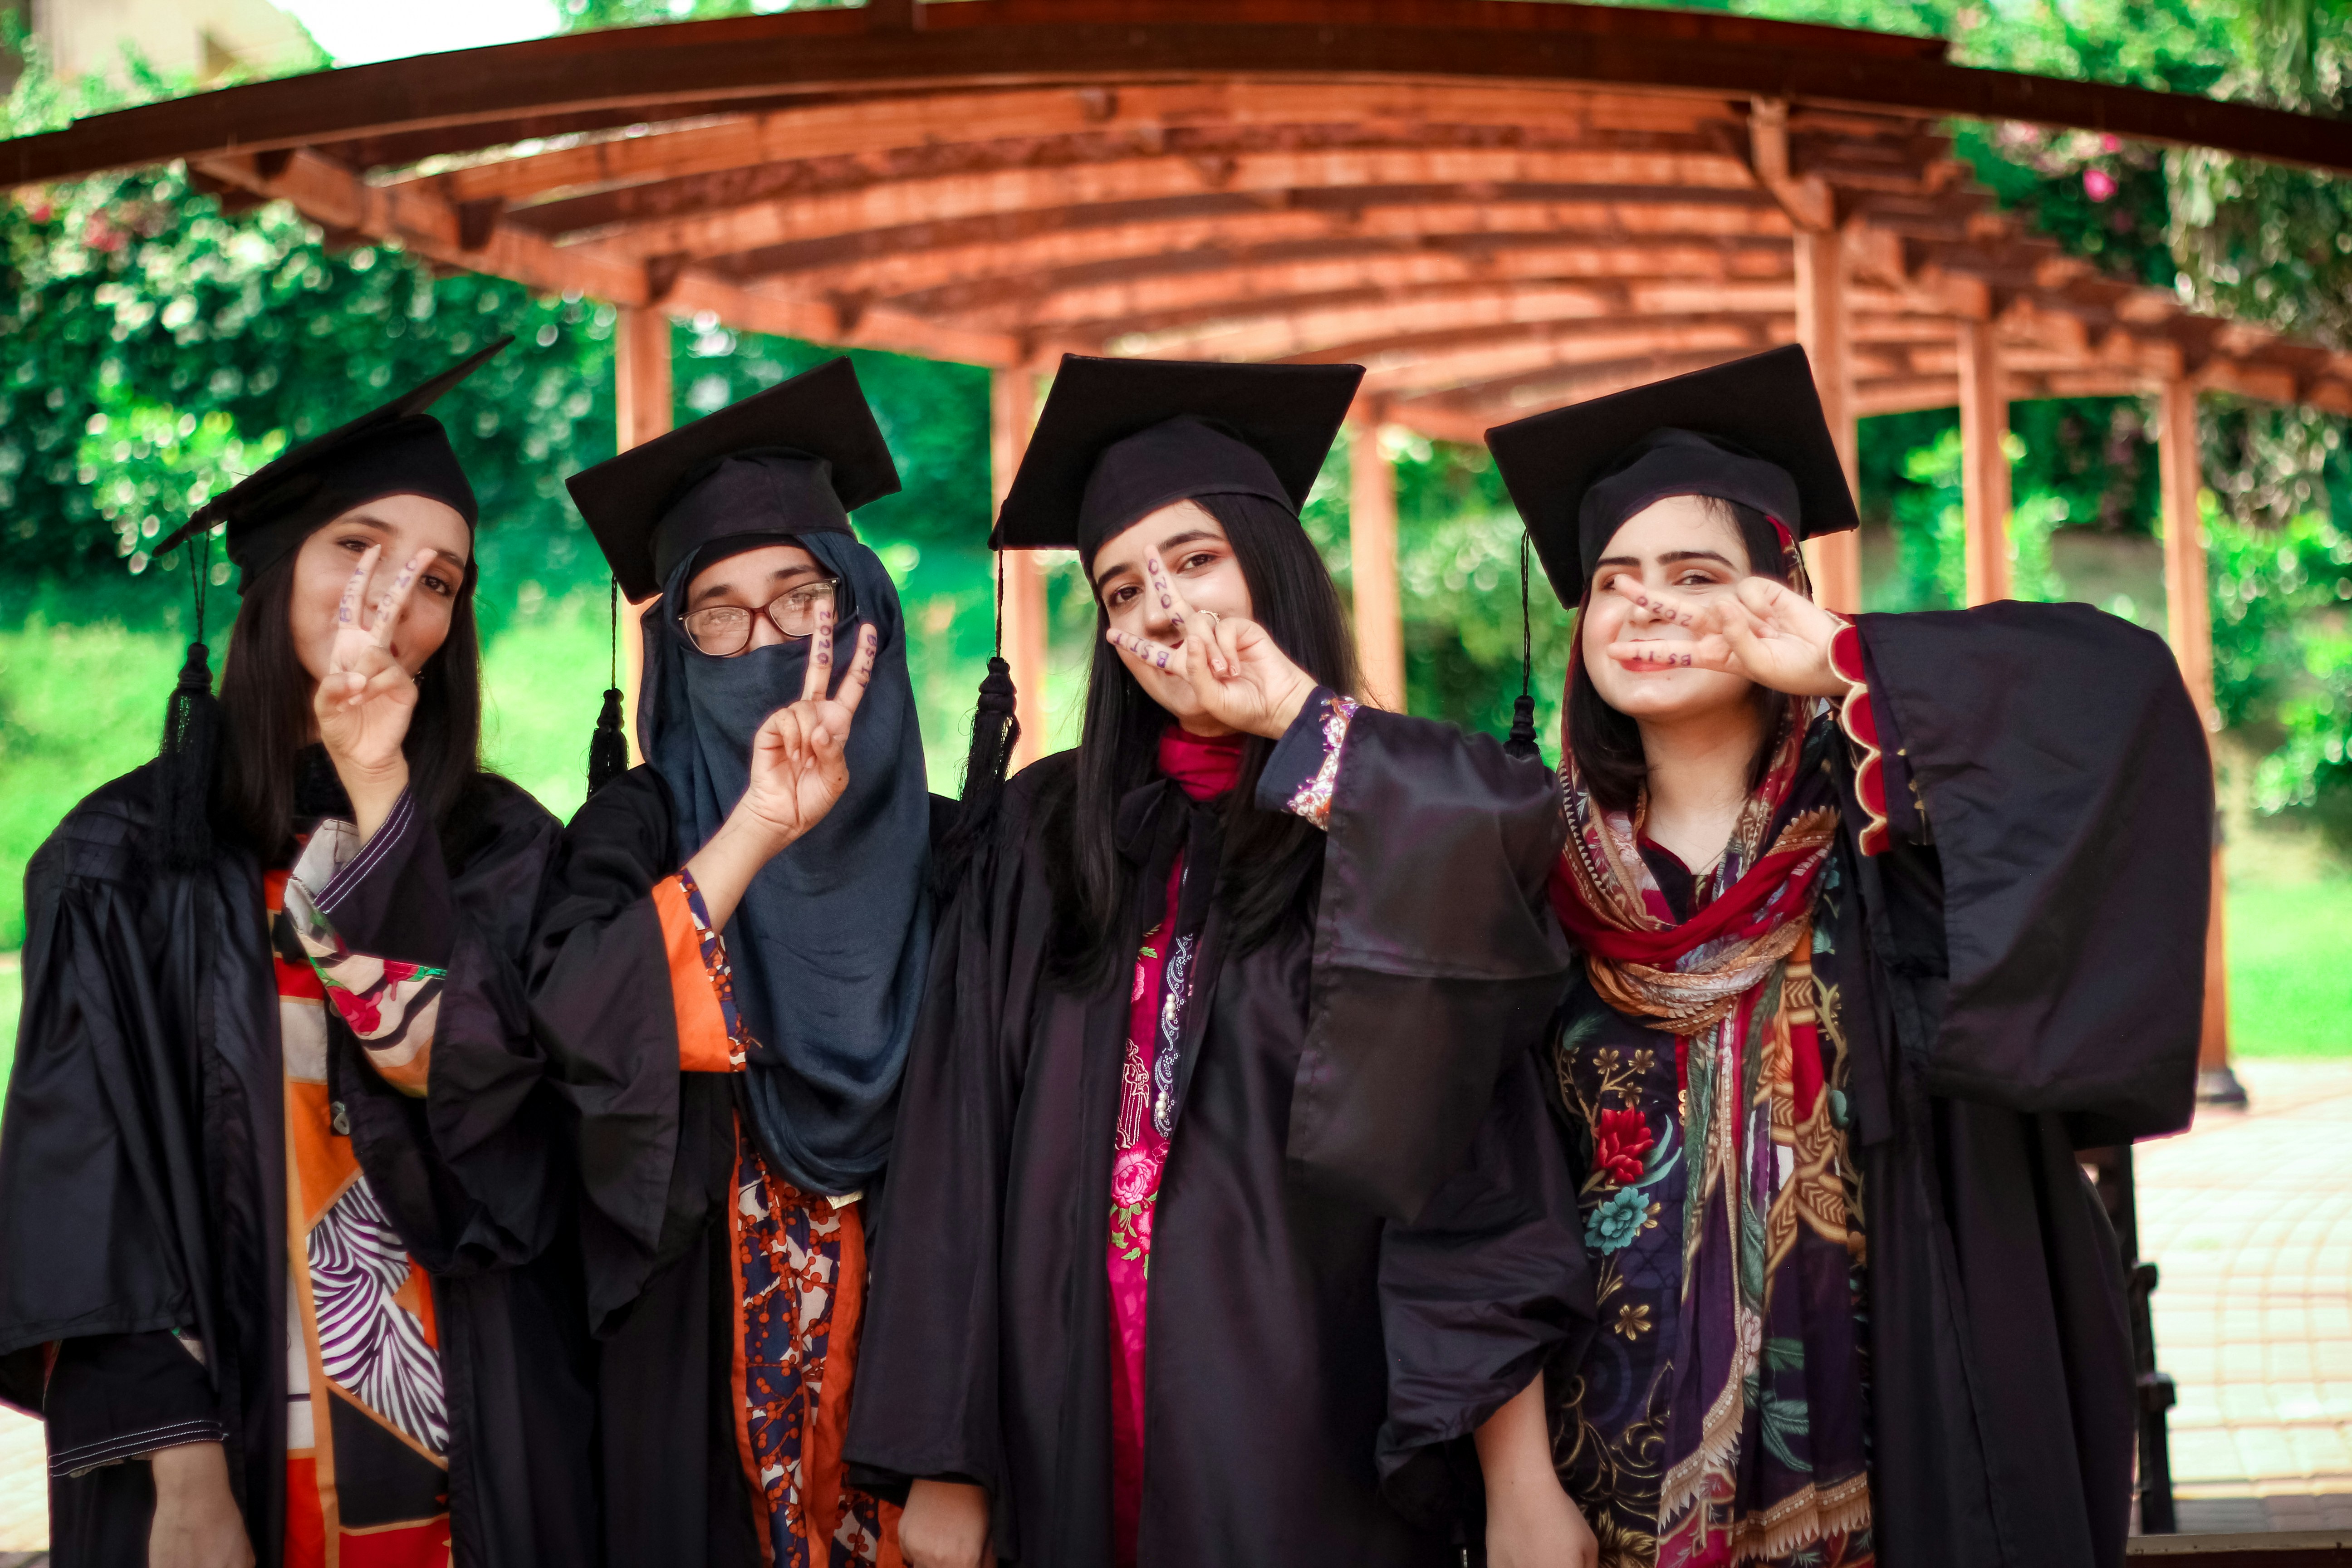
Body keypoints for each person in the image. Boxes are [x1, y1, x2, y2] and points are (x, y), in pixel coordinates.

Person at [1455, 344, 2208, 1568]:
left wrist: (1846, 664)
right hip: (1609, 1469)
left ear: (1781, 599)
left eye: (1696, 573)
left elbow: (2117, 696)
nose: (1646, 604)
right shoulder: (1521, 870)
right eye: (1612, 580)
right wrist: (1519, 1483)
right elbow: (1472, 1193)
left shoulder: (1890, 829)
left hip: (1914, 1422)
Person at [847, 355, 1594, 1568]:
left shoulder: (1377, 815)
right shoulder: (1045, 837)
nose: (1160, 611)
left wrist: (1517, 1479)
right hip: (1066, 1426)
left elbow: (1472, 1145)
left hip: (1309, 1426)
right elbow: (959, 1144)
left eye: (1196, 561)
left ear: (1273, 568)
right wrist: (944, 1459)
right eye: (1122, 588)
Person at [0, 340, 599, 1568]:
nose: (399, 597)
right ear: (274, 570)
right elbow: (87, 1178)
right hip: (226, 1441)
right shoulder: (120, 860)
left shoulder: (499, 850)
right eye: (358, 547)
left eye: (441, 581)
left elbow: (511, 1132)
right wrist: (180, 1477)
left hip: (472, 1428)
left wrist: (382, 795)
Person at [532, 357, 932, 1568]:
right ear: (674, 651)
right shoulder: (634, 835)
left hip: (930, 1409)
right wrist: (755, 830)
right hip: (695, 1380)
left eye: (802, 598)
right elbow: (580, 1021)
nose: (762, 642)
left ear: (861, 612)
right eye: (717, 613)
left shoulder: (970, 851)